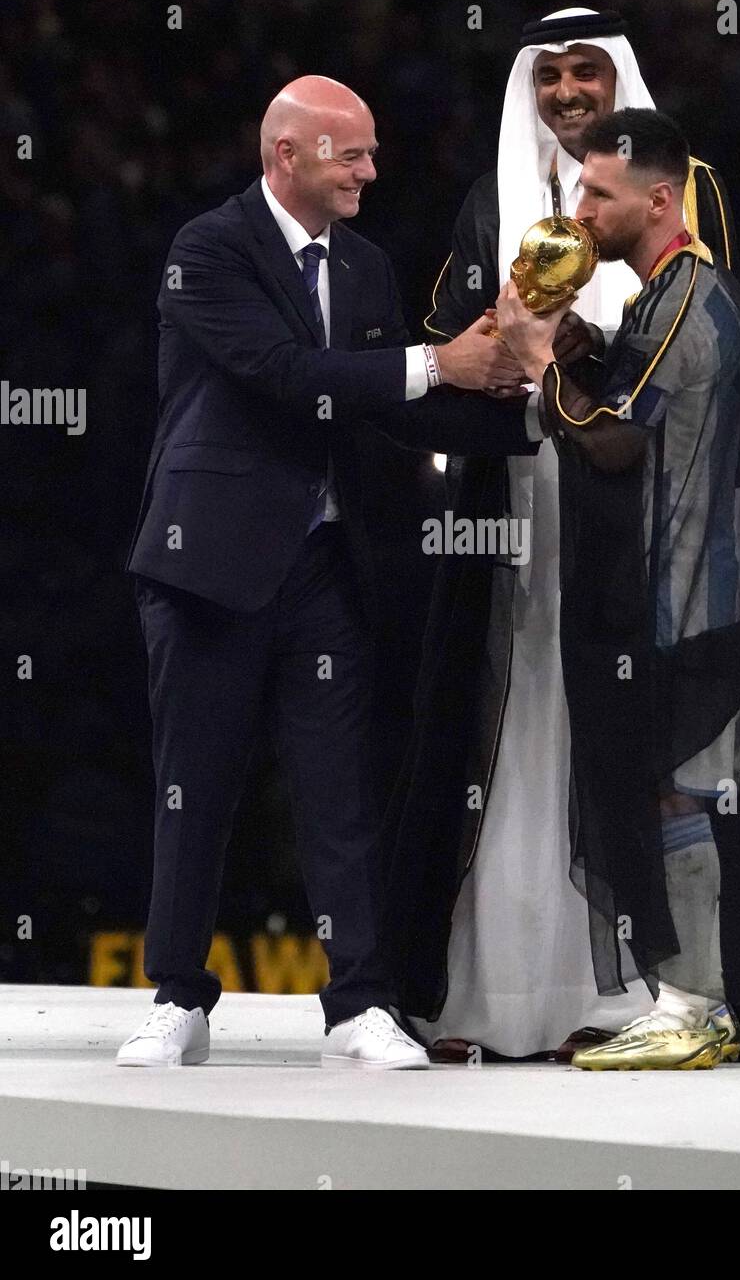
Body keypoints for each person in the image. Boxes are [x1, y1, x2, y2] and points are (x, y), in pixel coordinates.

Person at [117, 75, 542, 1071]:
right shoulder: (207, 250)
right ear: (286, 156)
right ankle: (177, 995)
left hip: (325, 564)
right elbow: (284, 374)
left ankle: (357, 1004)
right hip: (208, 564)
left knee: (340, 789)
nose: (369, 170)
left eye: (371, 151)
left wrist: (531, 413)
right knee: (197, 787)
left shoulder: (363, 266)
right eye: (350, 153)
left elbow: (386, 404)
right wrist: (444, 361)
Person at [384, 9, 734, 1062]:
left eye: (589, 73)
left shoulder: (685, 191)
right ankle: (484, 998)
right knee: (503, 716)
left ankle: (634, 997)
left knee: (615, 725)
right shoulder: (489, 205)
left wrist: (588, 347)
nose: (571, 92)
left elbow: (699, 344)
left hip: (628, 500)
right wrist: (505, 339)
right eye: (552, 78)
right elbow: (443, 349)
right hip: (508, 505)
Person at [493, 108, 740, 1067]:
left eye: (597, 193)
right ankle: (708, 1002)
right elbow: (629, 399)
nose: (581, 210)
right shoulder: (662, 296)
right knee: (679, 794)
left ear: (656, 199)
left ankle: (703, 1007)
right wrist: (577, 353)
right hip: (682, 587)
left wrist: (534, 362)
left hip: (695, 593)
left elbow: (615, 442)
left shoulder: (689, 299)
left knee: (687, 793)